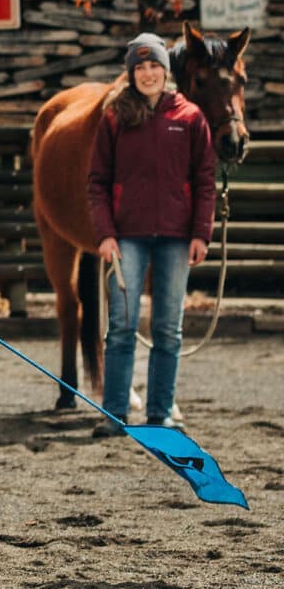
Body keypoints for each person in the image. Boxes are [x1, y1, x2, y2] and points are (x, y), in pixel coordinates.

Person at [87, 32, 215, 437]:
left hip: (178, 239)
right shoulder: (114, 118)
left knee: (167, 328)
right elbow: (98, 181)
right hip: (128, 238)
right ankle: (115, 413)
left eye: (154, 66)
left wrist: (201, 234)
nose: (147, 73)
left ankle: (159, 413)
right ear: (131, 73)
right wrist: (106, 234)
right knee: (122, 326)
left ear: (166, 71)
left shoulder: (191, 118)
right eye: (139, 67)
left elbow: (205, 181)